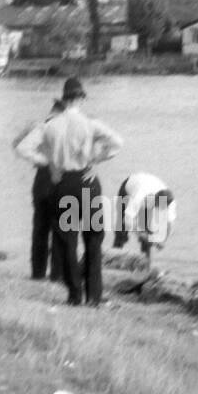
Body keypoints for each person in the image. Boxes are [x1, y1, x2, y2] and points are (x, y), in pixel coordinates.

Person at [28, 77, 123, 306]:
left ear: (62, 100)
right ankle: (94, 295)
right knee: (93, 239)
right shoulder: (89, 123)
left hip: (64, 182)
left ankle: (74, 294)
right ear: (81, 98)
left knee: (67, 240)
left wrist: (49, 163)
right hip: (88, 179)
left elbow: (26, 148)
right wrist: (96, 159)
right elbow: (117, 143)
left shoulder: (51, 124)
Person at [11, 99, 65, 283]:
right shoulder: (59, 127)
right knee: (60, 227)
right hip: (59, 177)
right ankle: (56, 274)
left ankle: (38, 272)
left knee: (40, 229)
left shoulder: (40, 126)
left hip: (41, 180)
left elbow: (18, 147)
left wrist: (40, 159)